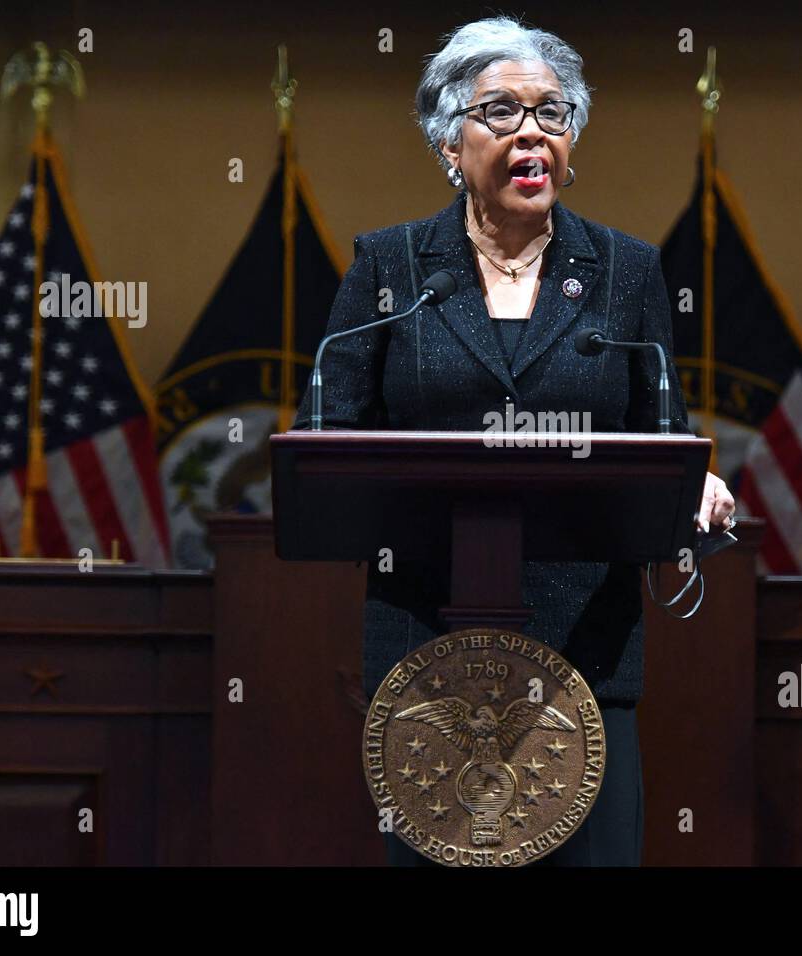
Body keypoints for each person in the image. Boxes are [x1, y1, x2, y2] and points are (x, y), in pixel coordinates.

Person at [292, 14, 736, 866]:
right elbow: (327, 440)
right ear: (450, 144)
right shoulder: (390, 270)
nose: (533, 130)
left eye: (554, 113)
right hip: (428, 644)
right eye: (502, 112)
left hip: (584, 650)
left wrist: (696, 484)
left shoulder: (628, 272)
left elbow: (664, 432)